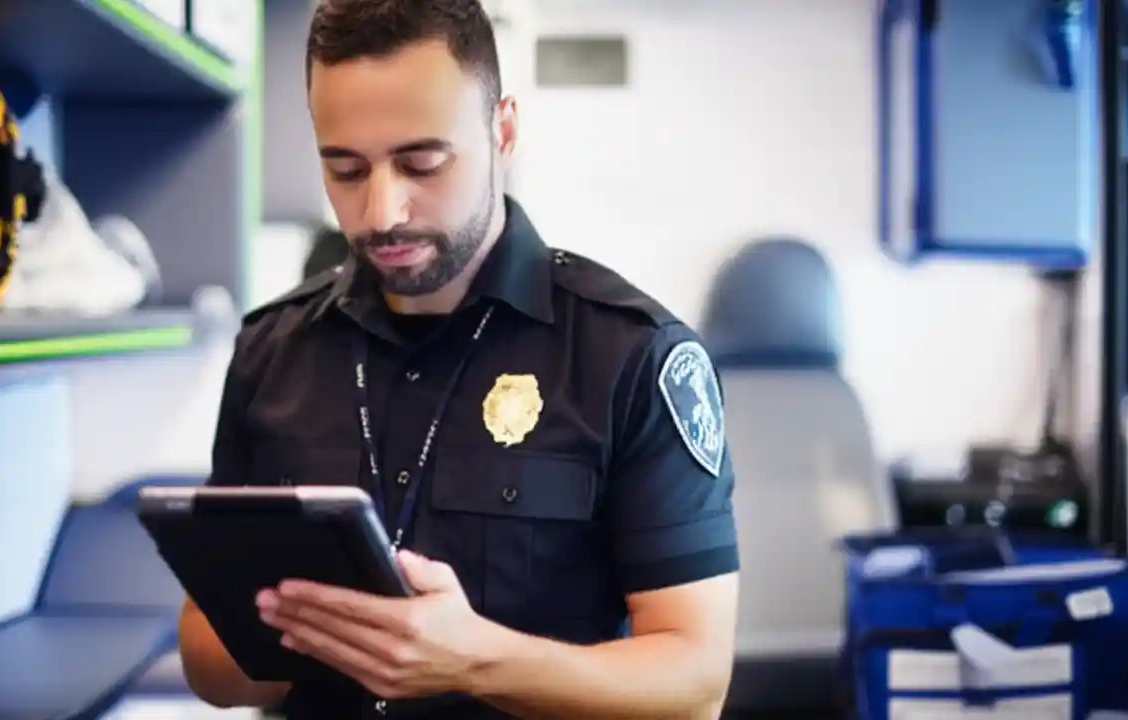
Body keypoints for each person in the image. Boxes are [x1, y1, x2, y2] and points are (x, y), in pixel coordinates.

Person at [177, 0, 741, 717]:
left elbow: (695, 685)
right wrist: (323, 634)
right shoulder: (270, 353)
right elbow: (205, 654)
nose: (383, 211)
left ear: (502, 130)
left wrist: (472, 661)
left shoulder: (632, 355)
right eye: (346, 170)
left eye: (422, 163)